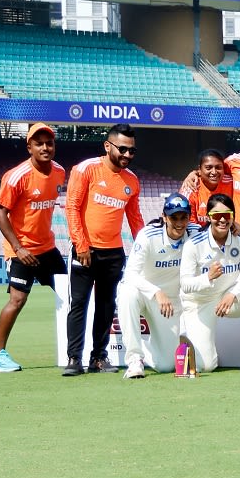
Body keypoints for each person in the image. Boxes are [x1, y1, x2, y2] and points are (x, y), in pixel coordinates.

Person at [63, 122, 143, 376]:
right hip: (86, 251)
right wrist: (81, 244)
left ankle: (99, 357)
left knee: (106, 306)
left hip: (114, 253)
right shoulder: (86, 169)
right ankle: (74, 358)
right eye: (122, 149)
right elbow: (72, 207)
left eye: (132, 151)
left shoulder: (132, 180)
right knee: (79, 304)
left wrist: (143, 249)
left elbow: (135, 219)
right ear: (107, 146)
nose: (127, 155)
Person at [0, 122, 66, 373]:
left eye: (49, 143)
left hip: (47, 248)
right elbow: (0, 213)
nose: (45, 147)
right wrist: (18, 248)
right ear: (29, 146)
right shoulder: (17, 176)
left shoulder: (60, 172)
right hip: (22, 251)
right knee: (17, 300)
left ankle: (79, 348)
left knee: (73, 294)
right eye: (39, 143)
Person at [116, 193, 199, 379]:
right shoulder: (148, 235)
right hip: (146, 293)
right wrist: (156, 292)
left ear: (189, 217)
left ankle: (147, 348)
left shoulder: (195, 233)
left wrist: (235, 225)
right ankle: (135, 359)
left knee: (166, 365)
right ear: (164, 217)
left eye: (183, 217)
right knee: (127, 293)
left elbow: (218, 232)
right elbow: (129, 274)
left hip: (170, 303)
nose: (179, 223)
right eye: (173, 217)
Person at [178, 193, 240, 374]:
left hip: (229, 298)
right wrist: (207, 277)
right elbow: (185, 284)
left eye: (227, 215)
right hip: (200, 302)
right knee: (205, 366)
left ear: (233, 216)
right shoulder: (194, 243)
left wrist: (233, 294)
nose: (222, 220)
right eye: (217, 216)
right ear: (209, 217)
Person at [180, 149, 225, 228]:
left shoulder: (231, 183)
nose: (214, 172)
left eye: (218, 167)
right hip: (198, 237)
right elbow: (189, 226)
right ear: (199, 170)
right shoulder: (190, 188)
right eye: (208, 168)